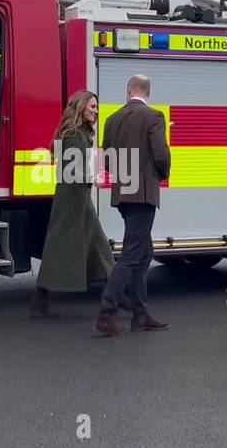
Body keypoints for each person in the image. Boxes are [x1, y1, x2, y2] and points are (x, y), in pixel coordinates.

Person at [95, 75, 171, 336]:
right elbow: (161, 154)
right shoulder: (154, 117)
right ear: (147, 92)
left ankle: (140, 313)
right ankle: (107, 311)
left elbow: (107, 162)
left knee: (143, 252)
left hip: (123, 193)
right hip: (143, 194)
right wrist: (160, 175)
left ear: (128, 91)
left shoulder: (111, 118)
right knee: (132, 254)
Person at [32, 90, 114, 317]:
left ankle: (116, 297)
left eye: (96, 107)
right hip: (72, 198)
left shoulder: (78, 133)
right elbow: (71, 168)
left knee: (98, 248)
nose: (95, 111)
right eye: (92, 106)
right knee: (64, 247)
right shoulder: (74, 135)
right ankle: (118, 299)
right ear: (80, 107)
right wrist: (93, 178)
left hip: (77, 197)